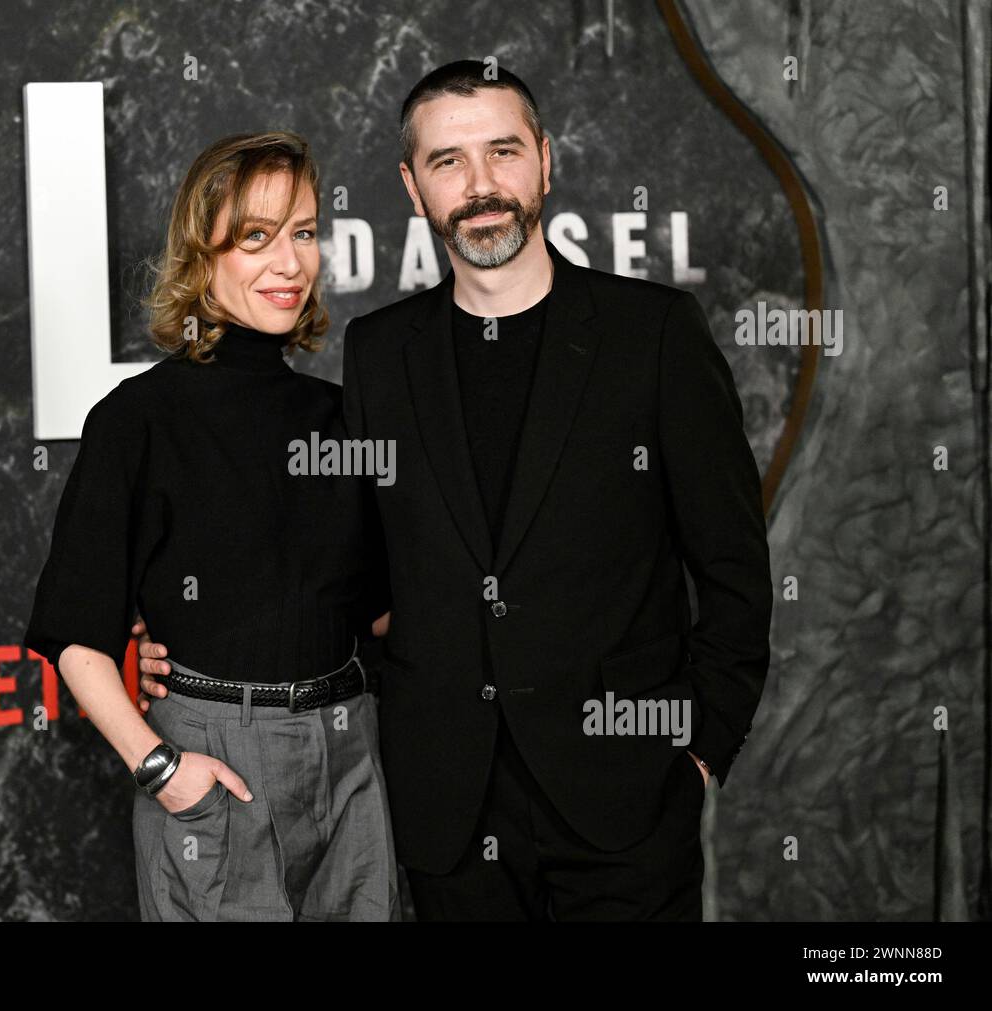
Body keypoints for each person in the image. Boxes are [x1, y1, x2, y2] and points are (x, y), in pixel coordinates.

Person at [136, 61, 773, 921]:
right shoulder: (382, 352)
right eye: (447, 161)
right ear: (412, 185)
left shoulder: (652, 333)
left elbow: (733, 563)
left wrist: (699, 746)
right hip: (447, 813)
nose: (480, 187)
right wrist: (185, 644)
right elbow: (356, 573)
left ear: (546, 162)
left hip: (623, 801)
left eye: (502, 152)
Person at [22, 131, 397, 922]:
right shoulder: (138, 419)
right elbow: (74, 634)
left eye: (302, 232)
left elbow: (377, 607)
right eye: (255, 237)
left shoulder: (340, 416)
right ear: (203, 255)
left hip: (351, 750)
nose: (289, 263)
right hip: (216, 764)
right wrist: (162, 768)